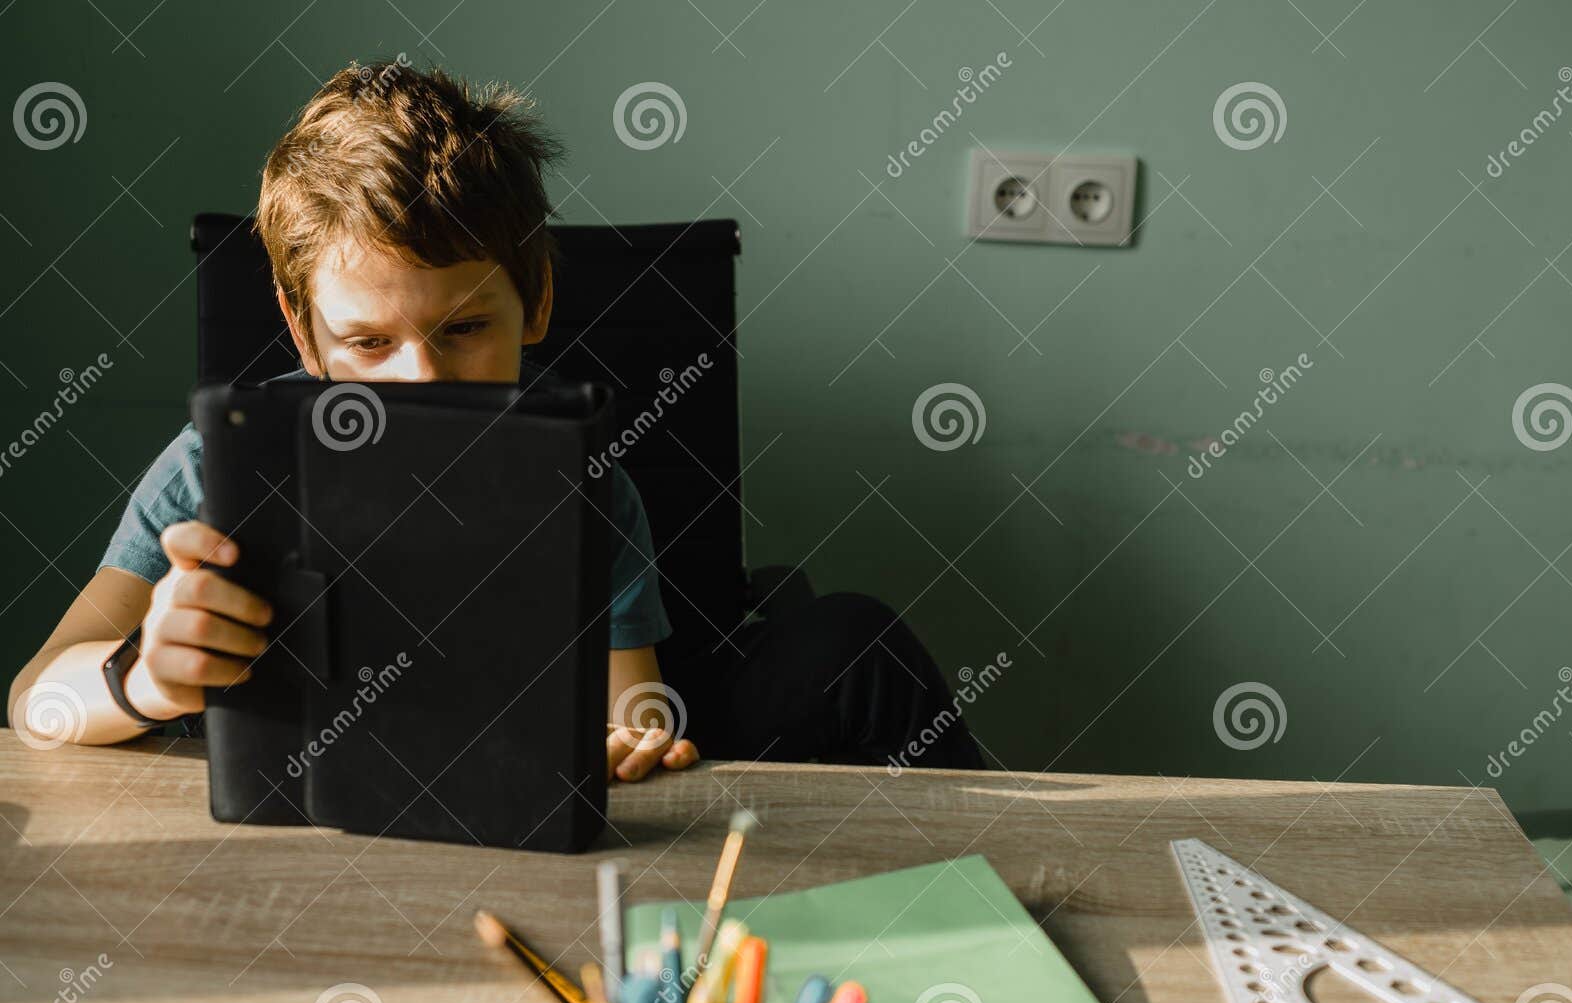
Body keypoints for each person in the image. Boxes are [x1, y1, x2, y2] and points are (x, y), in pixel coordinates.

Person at [7, 61, 985, 784]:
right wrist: (145, 677)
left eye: (465, 326)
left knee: (855, 637)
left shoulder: (584, 479)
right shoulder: (208, 476)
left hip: (507, 813)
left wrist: (634, 736)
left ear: (537, 301)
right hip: (305, 826)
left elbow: (630, 698)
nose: (425, 376)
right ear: (302, 330)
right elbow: (35, 699)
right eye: (368, 341)